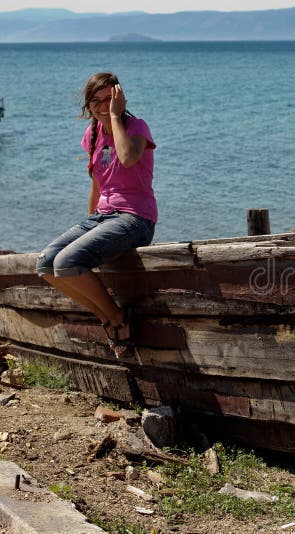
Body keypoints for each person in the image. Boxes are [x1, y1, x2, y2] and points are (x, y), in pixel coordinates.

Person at [35, 72, 157, 357]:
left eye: (108, 99)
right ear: (88, 105)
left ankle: (117, 320)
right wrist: (90, 228)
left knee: (66, 262)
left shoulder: (137, 127)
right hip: (103, 216)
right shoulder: (91, 135)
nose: (102, 106)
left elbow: (127, 158)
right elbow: (97, 185)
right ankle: (107, 316)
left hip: (135, 218)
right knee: (45, 264)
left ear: (119, 99)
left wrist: (115, 117)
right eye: (96, 101)